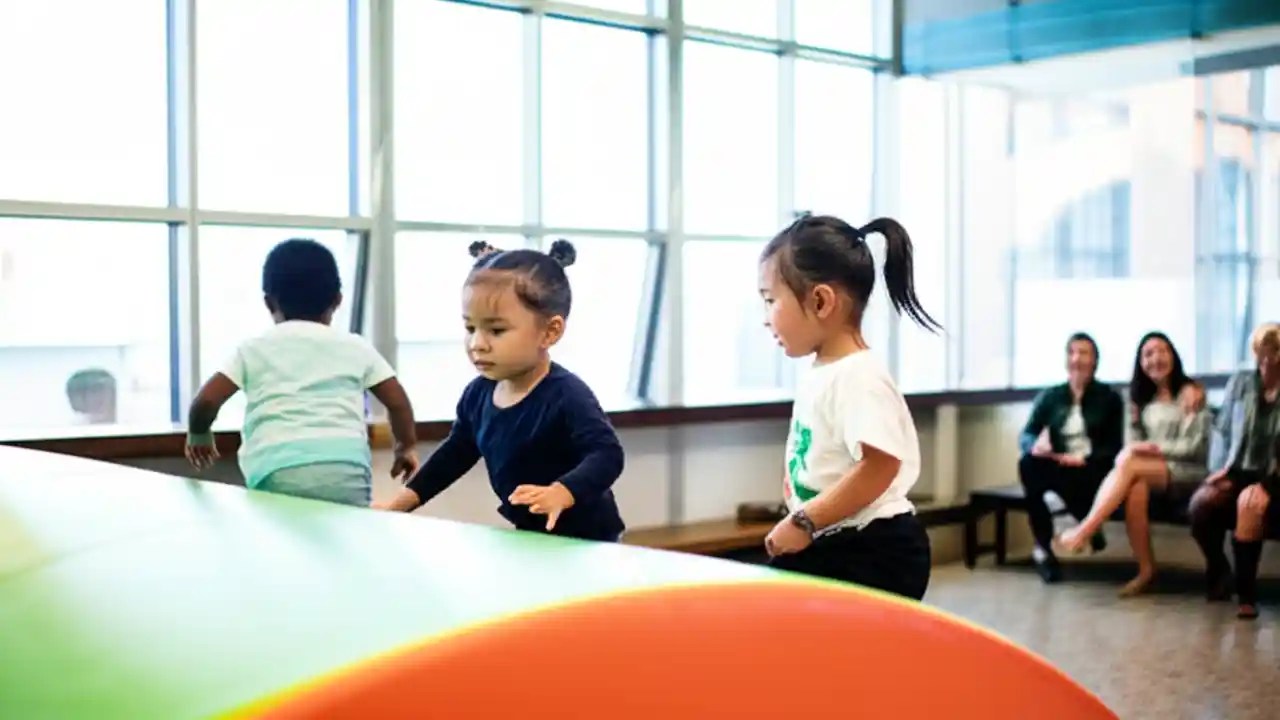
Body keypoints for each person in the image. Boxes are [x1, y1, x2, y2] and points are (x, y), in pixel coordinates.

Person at [375, 240, 626, 542]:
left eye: (496, 330)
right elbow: (454, 455)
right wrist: (397, 506)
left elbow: (607, 454)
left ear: (550, 331)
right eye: (470, 329)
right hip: (532, 534)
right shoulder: (477, 395)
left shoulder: (567, 394)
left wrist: (563, 492)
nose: (477, 344)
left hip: (590, 539)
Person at [755, 214, 936, 601]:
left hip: (874, 548)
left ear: (820, 301)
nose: (765, 320)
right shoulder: (824, 371)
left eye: (770, 301)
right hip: (836, 538)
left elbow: (881, 464)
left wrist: (804, 520)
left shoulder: (858, 376)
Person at [185, 239, 418, 506]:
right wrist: (404, 446)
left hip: (276, 467)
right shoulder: (355, 347)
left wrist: (199, 434)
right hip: (346, 467)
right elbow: (397, 402)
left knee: (278, 539)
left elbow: (206, 401)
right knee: (348, 539)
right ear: (338, 300)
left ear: (269, 302)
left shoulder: (253, 349)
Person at [1055, 332, 1210, 596]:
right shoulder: (1138, 399)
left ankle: (1084, 530)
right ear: (1140, 363)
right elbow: (1130, 444)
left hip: (1190, 473)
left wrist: (1151, 448)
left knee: (1131, 467)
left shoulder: (1191, 394)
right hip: (1150, 473)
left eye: (1162, 351)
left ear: (1173, 355)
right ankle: (1147, 571)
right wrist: (1139, 449)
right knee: (1135, 486)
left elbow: (1194, 448)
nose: (1156, 359)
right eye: (1148, 354)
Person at [1189, 322, 1280, 620]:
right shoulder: (1241, 381)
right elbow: (1222, 429)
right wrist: (1220, 470)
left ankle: (1246, 595)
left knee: (1248, 505)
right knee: (1202, 503)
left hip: (1275, 477)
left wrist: (1267, 486)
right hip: (1238, 468)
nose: (1269, 361)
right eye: (1264, 353)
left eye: (1276, 353)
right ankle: (1219, 569)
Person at [1017, 333, 1124, 583]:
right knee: (1028, 464)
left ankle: (1087, 523)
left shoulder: (1109, 398)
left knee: (1071, 476)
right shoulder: (1051, 396)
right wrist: (1035, 446)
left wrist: (1085, 458)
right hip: (1059, 463)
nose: (1077, 358)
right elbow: (1027, 433)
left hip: (1093, 467)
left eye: (1084, 353)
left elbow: (1114, 446)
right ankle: (1043, 549)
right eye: (1072, 352)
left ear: (1095, 361)